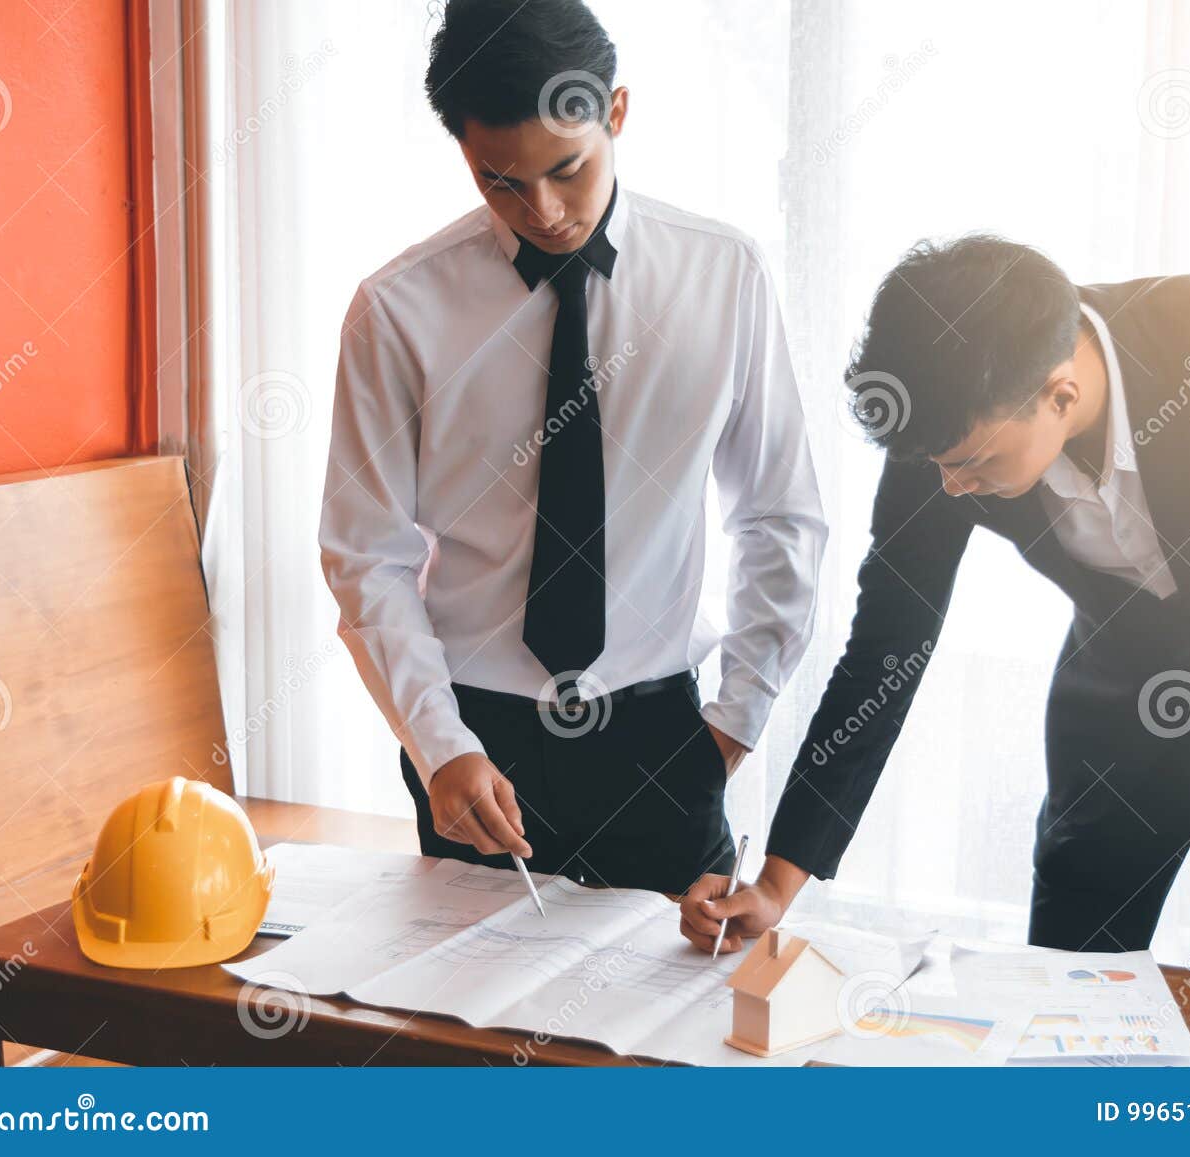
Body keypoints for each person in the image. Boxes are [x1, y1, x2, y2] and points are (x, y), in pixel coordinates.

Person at [681, 234, 1190, 1057]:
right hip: (1112, 727)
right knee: (1060, 1033)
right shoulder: (945, 424)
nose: (951, 488)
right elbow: (889, 644)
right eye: (943, 468)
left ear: (1061, 393)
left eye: (973, 466)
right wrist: (781, 880)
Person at [320, 0, 826, 895]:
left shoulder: (724, 276)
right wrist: (439, 747)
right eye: (500, 181)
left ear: (616, 113)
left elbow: (778, 516)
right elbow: (368, 557)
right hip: (478, 741)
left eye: (567, 168)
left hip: (663, 737)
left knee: (680, 1021)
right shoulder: (396, 310)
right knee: (471, 1025)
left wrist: (733, 725)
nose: (543, 211)